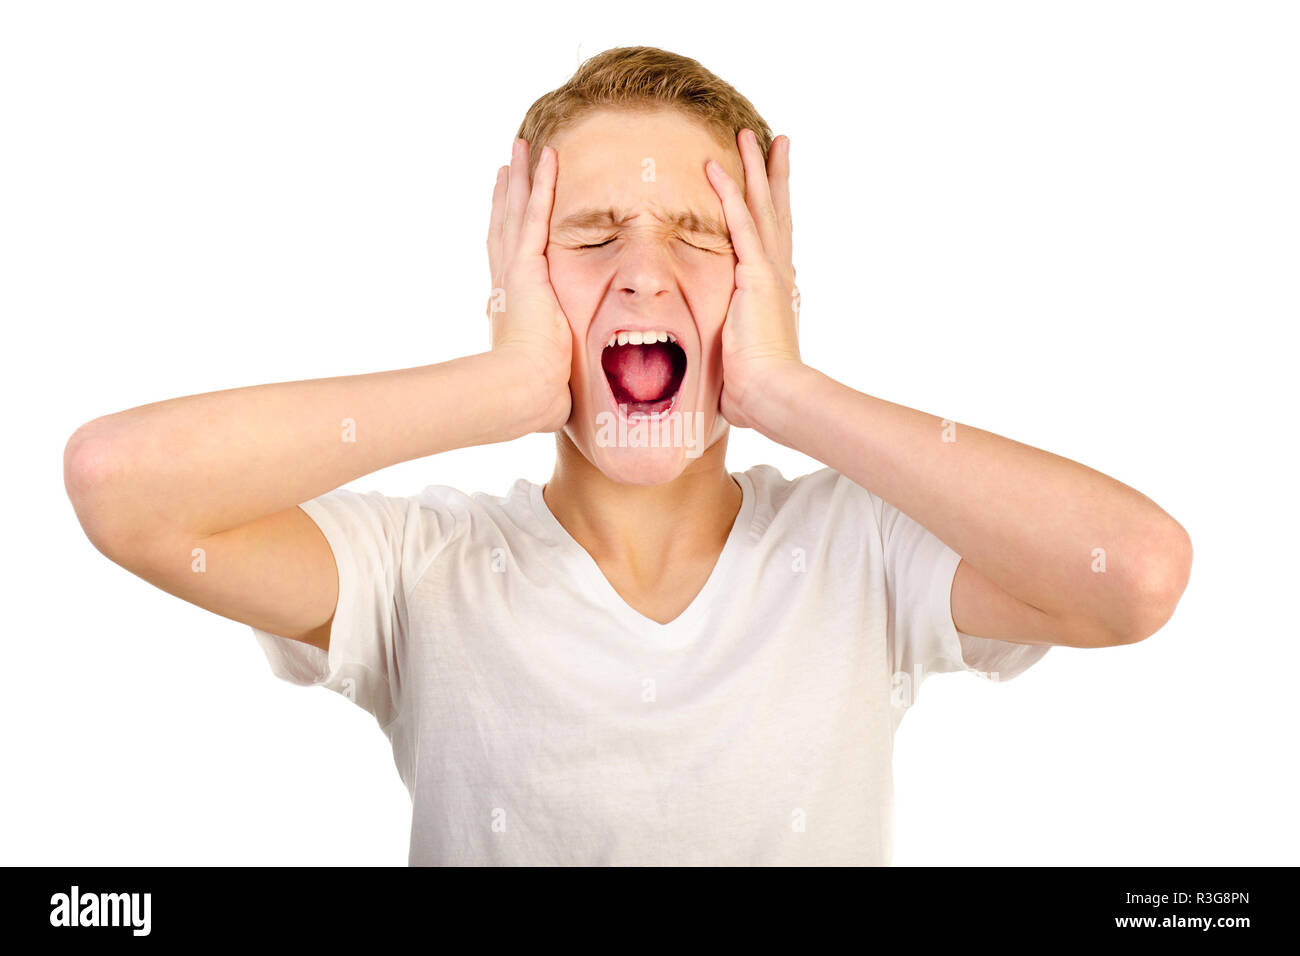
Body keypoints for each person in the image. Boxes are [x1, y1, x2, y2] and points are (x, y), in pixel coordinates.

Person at [62, 46, 1192, 865]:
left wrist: (791, 395)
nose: (645, 272)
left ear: (769, 292)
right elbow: (122, 485)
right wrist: (495, 385)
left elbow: (1132, 574)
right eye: (591, 236)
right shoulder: (421, 568)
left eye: (704, 239)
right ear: (515, 285)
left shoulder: (862, 550)